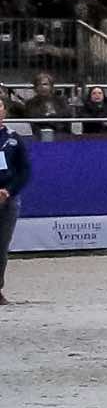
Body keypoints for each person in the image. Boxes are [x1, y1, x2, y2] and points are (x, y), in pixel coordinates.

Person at [0, 120, 27, 305]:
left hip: (7, 198)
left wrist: (8, 190)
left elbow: (24, 170)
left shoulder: (13, 138)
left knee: (1, 246)